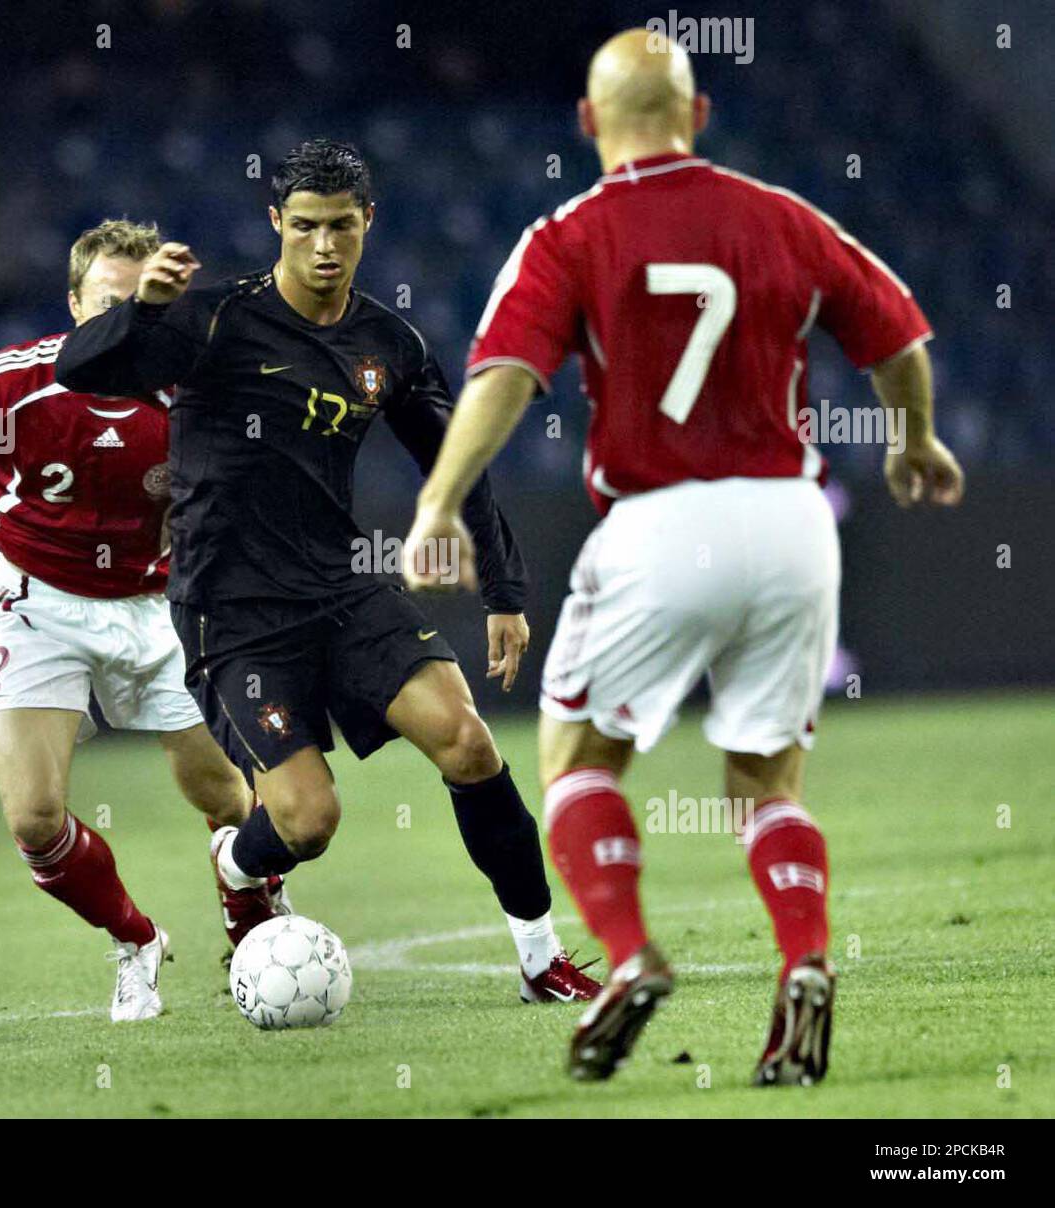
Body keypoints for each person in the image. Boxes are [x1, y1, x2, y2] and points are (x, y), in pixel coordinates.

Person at [403, 31, 964, 1081]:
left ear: (587, 122)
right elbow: (894, 333)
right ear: (698, 117)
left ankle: (627, 956)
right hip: (793, 522)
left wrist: (437, 502)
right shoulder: (784, 217)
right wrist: (914, 438)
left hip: (660, 522)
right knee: (764, 780)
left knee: (577, 757)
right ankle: (802, 958)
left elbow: (504, 376)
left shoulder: (569, 233)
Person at [56, 141, 600, 1003]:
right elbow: (76, 369)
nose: (323, 245)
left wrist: (504, 591)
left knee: (467, 742)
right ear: (276, 222)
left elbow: (457, 459)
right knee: (308, 821)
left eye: (341, 226)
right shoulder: (212, 318)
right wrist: (142, 313)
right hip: (232, 610)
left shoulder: (389, 341)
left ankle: (541, 962)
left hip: (341, 587)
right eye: (304, 226)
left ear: (366, 223)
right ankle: (238, 865)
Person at [0, 219, 268, 1022]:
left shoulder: (195, 393)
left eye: (145, 304)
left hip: (158, 610)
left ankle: (252, 917)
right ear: (75, 305)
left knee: (231, 798)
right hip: (38, 606)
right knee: (35, 820)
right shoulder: (16, 387)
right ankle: (135, 940)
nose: (129, 322)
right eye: (110, 304)